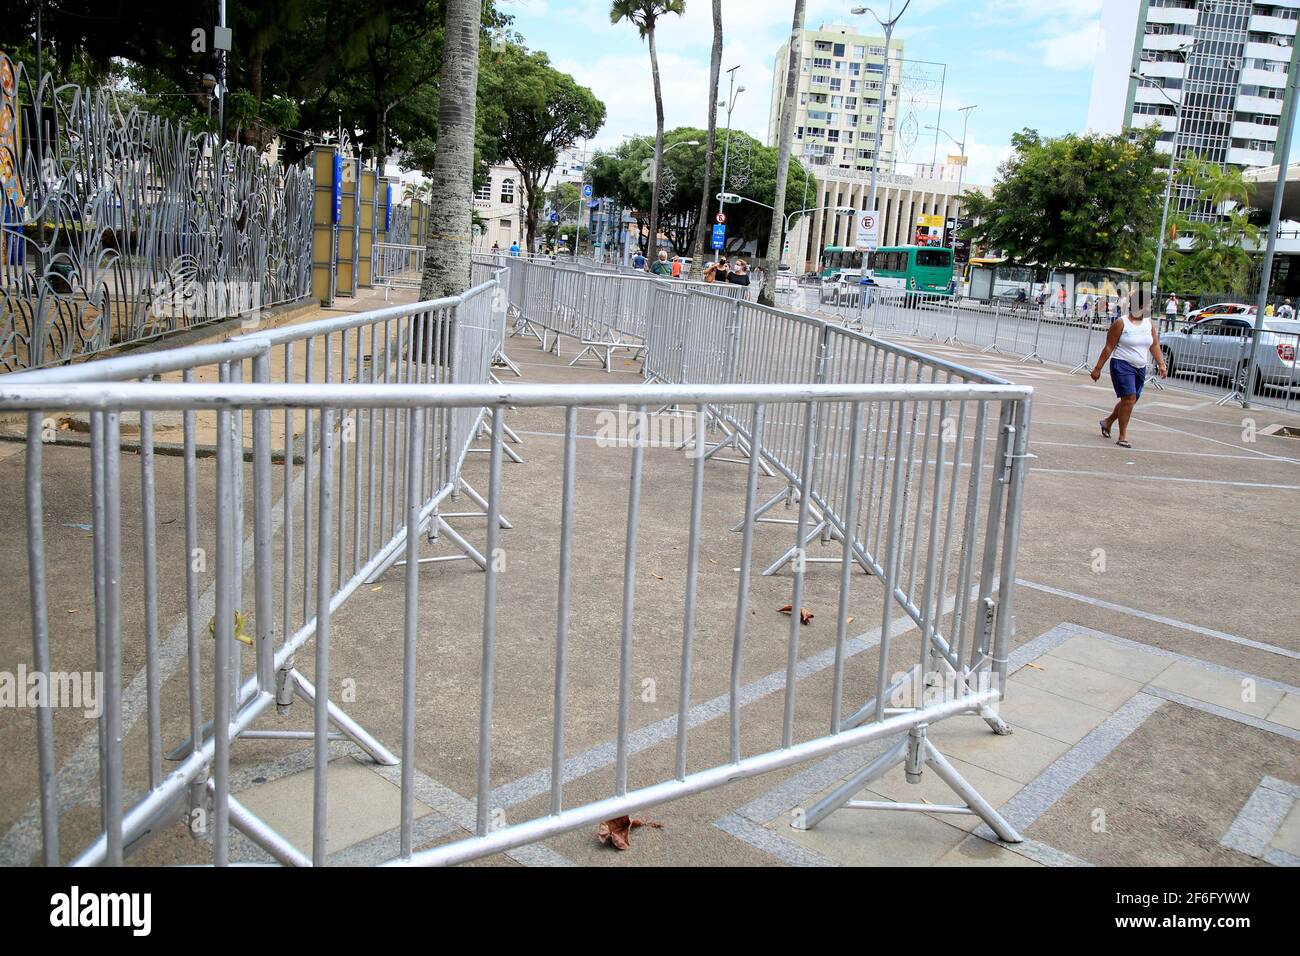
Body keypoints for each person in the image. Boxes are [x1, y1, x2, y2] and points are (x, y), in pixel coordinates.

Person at [1090, 288, 1167, 449]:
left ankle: (1107, 421)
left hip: (1140, 367)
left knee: (1130, 401)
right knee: (1129, 398)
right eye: (1149, 304)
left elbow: (1154, 344)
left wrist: (1161, 363)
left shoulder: (1149, 323)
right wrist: (1097, 368)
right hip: (1122, 364)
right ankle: (1122, 436)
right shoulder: (1121, 323)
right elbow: (1109, 347)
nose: (1151, 307)